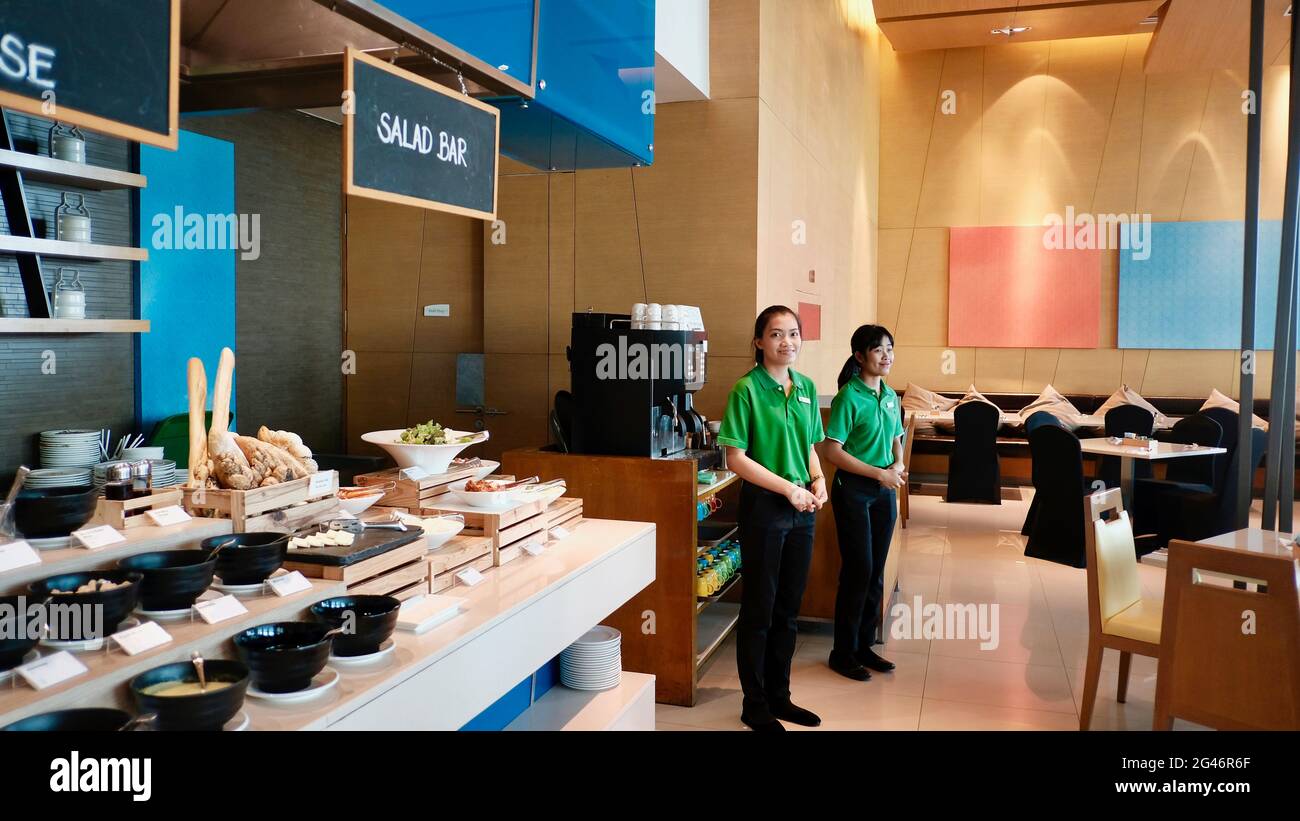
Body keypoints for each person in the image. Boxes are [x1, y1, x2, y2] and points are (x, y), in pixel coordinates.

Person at [716, 305, 828, 731]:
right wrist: (788, 488)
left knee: (788, 607)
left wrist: (817, 481)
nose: (788, 342)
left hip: (803, 509)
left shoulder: (805, 388)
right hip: (766, 508)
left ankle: (781, 696)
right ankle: (754, 702)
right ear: (760, 341)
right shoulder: (746, 390)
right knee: (760, 607)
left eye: (794, 334)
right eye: (777, 334)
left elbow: (811, 447)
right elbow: (735, 458)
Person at [822, 324, 905, 681]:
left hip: (884, 490)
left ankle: (863, 645)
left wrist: (898, 464)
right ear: (860, 356)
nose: (886, 356)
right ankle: (841, 652)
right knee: (858, 570)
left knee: (875, 571)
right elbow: (831, 451)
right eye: (878, 350)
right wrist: (879, 474)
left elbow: (897, 437)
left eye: (889, 348)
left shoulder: (889, 395)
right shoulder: (848, 397)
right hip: (854, 490)